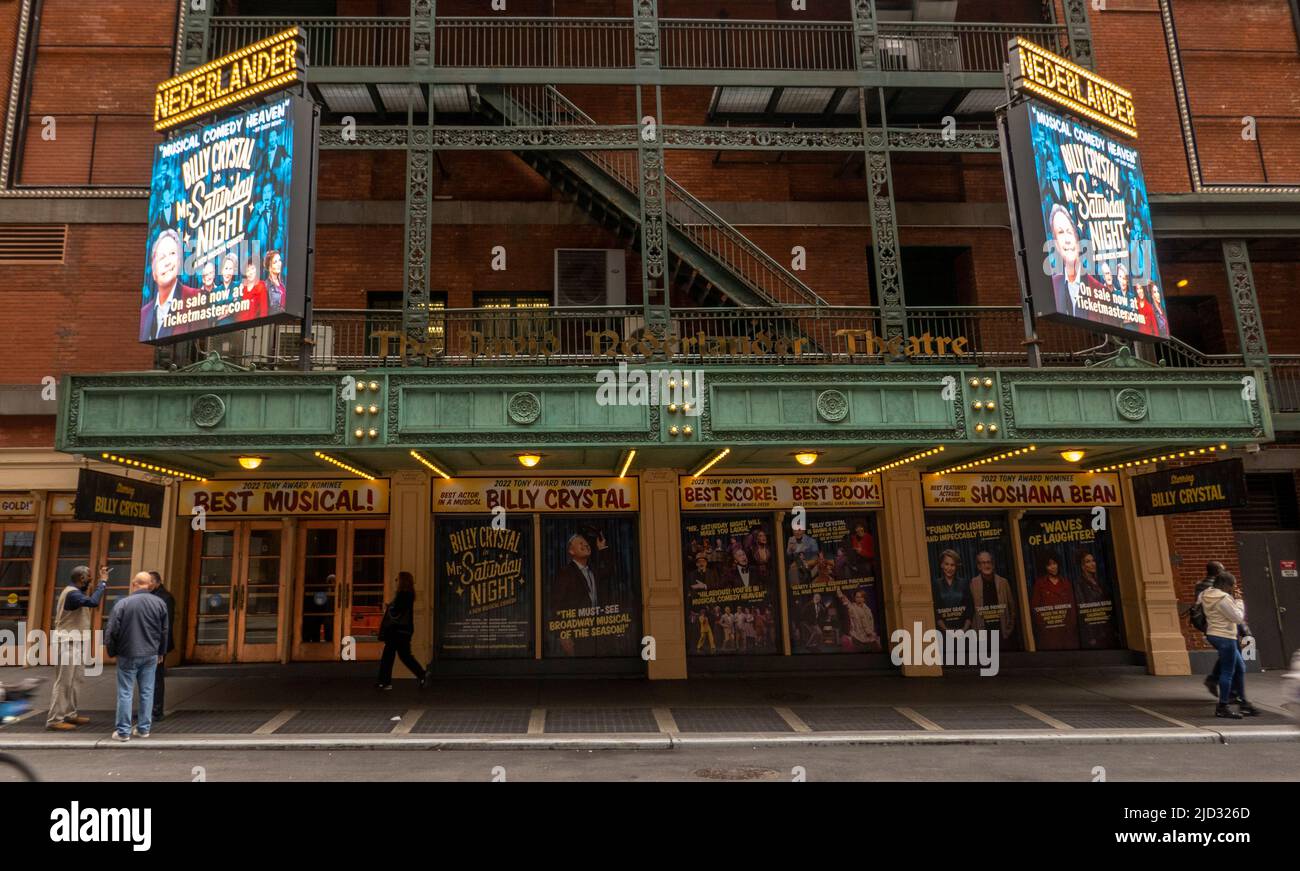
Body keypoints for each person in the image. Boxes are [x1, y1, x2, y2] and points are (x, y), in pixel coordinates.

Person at [104, 572, 169, 741]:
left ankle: (123, 731)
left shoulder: (123, 603)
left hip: (128, 652)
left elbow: (111, 631)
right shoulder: (160, 603)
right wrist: (161, 652)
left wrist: (111, 651)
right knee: (147, 691)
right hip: (150, 653)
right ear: (148, 585)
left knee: (125, 692)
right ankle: (143, 729)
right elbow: (164, 631)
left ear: (134, 584)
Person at [45, 565, 108, 731]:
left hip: (76, 640)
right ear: (82, 579)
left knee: (75, 680)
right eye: (90, 578)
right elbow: (93, 602)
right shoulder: (72, 594)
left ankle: (70, 714)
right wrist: (102, 583)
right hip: (66, 641)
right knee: (64, 681)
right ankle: (54, 719)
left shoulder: (75, 592)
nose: (90, 581)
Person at [1199, 572, 1258, 718]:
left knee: (1240, 667)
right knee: (1227, 671)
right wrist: (1238, 601)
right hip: (1225, 636)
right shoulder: (1223, 598)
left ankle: (1243, 702)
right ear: (1225, 584)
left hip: (1213, 634)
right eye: (1233, 585)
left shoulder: (1206, 594)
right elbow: (1238, 618)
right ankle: (1223, 706)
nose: (1234, 588)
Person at [550, 531, 615, 655]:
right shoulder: (565, 573)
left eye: (586, 543)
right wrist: (562, 635)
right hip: (577, 632)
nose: (586, 545)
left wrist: (602, 548)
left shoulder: (593, 570)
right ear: (571, 551)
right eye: (581, 543)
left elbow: (609, 570)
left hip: (596, 632)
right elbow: (556, 605)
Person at [139, 229, 200, 341]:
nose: (167, 262)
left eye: (172, 253)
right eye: (161, 257)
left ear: (179, 262)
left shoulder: (197, 299)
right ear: (153, 271)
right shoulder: (144, 314)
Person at [1047, 204, 1101, 319]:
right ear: (1056, 244)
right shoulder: (1052, 287)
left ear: (1076, 238)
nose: (1067, 240)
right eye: (1060, 233)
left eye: (1069, 231)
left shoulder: (1100, 290)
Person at [377, 571, 426, 690]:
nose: (396, 581)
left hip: (397, 630)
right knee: (404, 655)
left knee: (389, 656)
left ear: (402, 581)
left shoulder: (402, 595)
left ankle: (385, 682)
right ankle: (422, 675)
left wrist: (388, 607)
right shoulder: (408, 594)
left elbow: (397, 611)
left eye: (397, 579)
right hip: (404, 630)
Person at [1029, 552, 1079, 649]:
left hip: (1066, 633)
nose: (1053, 567)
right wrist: (1044, 627)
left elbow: (1072, 609)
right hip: (1049, 633)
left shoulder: (1066, 583)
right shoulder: (1039, 584)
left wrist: (1070, 627)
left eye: (1054, 563)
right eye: (1049, 564)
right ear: (1044, 567)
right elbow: (1035, 608)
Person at [969, 550, 1016, 643]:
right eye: (983, 563)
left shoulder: (1003, 582)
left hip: (1002, 633)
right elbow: (970, 611)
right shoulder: (973, 583)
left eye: (988, 562)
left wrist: (1009, 628)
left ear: (993, 565)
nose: (986, 565)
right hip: (982, 635)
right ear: (978, 566)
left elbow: (1012, 608)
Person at [147, 571, 176, 722]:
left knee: (156, 677)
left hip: (158, 644)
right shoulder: (147, 595)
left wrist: (161, 647)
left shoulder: (166, 598)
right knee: (146, 677)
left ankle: (157, 710)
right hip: (147, 643)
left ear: (158, 582)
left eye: (150, 581)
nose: (147, 584)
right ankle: (147, 709)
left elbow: (166, 625)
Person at [1074, 552, 1118, 649]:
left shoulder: (1101, 581)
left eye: (1093, 561)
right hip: (1093, 631)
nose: (1093, 564)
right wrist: (1090, 636)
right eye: (1088, 562)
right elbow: (1082, 612)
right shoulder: (1079, 584)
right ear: (1082, 566)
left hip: (1107, 628)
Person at [931, 549, 973, 631]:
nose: (949, 568)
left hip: (964, 630)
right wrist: (946, 630)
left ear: (956, 566)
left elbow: (970, 609)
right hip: (943, 632)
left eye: (952, 565)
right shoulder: (936, 584)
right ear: (941, 565)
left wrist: (964, 629)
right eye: (946, 564)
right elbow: (935, 611)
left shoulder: (964, 583)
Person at [237, 258, 269, 322]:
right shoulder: (241, 286)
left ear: (257, 270)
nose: (250, 273)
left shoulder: (261, 286)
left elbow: (264, 312)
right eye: (248, 270)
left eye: (252, 269)